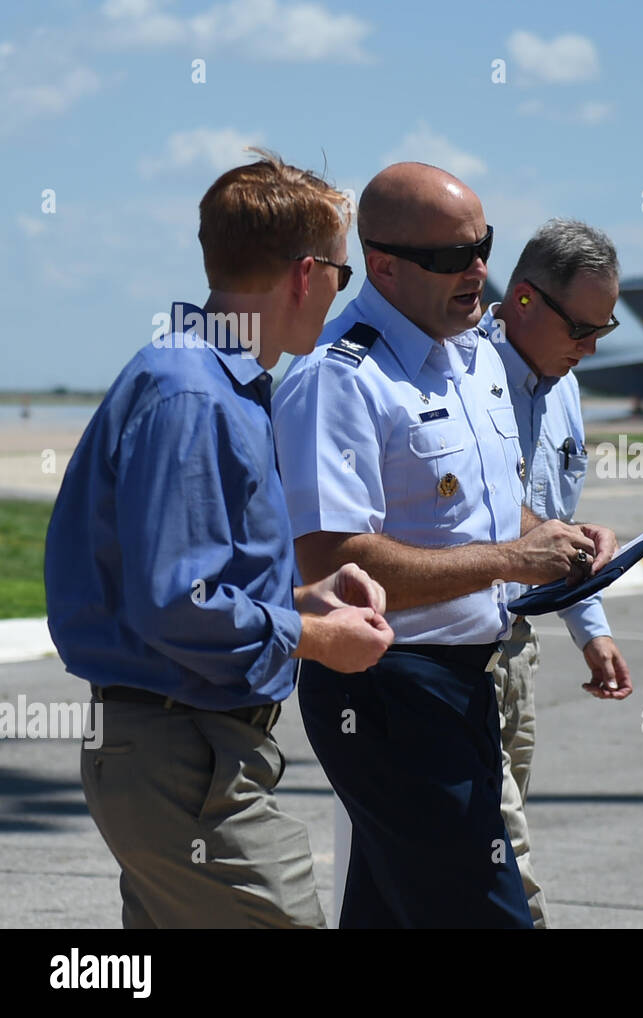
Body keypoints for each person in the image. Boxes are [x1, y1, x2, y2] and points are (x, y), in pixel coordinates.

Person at [44, 149, 394, 929]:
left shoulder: (206, 381)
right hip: (183, 757)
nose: (343, 295)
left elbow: (182, 583)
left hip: (184, 755)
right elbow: (179, 603)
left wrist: (303, 596)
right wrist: (315, 636)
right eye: (345, 274)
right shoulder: (195, 396)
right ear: (307, 276)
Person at [271, 162, 619, 928]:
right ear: (384, 264)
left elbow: (487, 515)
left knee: (392, 915)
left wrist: (555, 537)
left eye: (481, 246)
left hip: (469, 682)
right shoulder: (341, 379)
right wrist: (508, 561)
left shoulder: (475, 359)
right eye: (449, 257)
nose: (477, 271)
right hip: (392, 689)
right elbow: (334, 563)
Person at [488, 218, 634, 927]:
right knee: (503, 865)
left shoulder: (566, 386)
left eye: (604, 329)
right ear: (522, 301)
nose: (591, 348)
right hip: (450, 651)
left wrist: (590, 627)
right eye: (581, 328)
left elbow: (555, 525)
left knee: (448, 870)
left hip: (517, 648)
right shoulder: (460, 376)